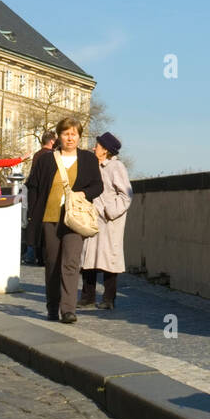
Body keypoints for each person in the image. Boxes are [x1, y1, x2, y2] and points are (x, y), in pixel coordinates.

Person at [25, 117, 102, 323]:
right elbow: (33, 187)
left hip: (74, 218)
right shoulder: (45, 160)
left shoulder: (88, 159)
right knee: (52, 263)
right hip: (50, 217)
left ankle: (68, 310)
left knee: (71, 263)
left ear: (79, 136)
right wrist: (33, 213)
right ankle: (52, 306)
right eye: (66, 133)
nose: (70, 138)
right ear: (59, 136)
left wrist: (83, 194)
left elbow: (98, 186)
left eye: (74, 134)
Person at [79, 132, 132, 312]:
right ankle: (88, 297)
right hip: (92, 218)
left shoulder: (117, 167)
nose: (94, 148)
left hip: (110, 221)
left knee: (109, 259)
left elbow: (126, 195)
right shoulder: (94, 166)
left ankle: (109, 298)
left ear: (106, 150)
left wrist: (109, 211)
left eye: (98, 146)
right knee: (88, 258)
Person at [22, 130, 57, 266]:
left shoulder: (38, 154)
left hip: (35, 194)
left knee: (34, 224)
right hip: (42, 194)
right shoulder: (47, 155)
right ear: (52, 141)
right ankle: (33, 255)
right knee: (39, 226)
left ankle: (32, 254)